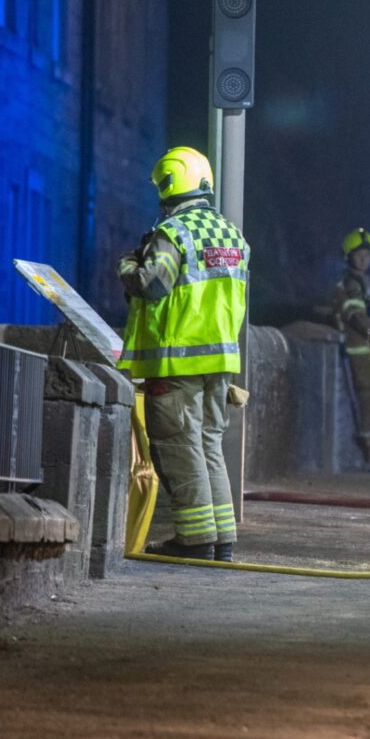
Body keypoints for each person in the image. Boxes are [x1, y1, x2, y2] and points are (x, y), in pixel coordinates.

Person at [117, 147, 250, 563]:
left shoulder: (174, 233)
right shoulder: (231, 235)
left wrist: (127, 264)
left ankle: (194, 540)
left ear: (170, 184)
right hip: (221, 361)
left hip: (177, 360)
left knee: (179, 446)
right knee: (210, 445)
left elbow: (151, 284)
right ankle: (221, 540)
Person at [332, 228, 370, 463]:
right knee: (366, 398)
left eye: (367, 254)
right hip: (358, 350)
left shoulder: (364, 281)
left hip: (369, 348)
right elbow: (354, 315)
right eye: (358, 254)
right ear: (349, 257)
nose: (364, 258)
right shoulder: (350, 283)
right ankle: (368, 453)